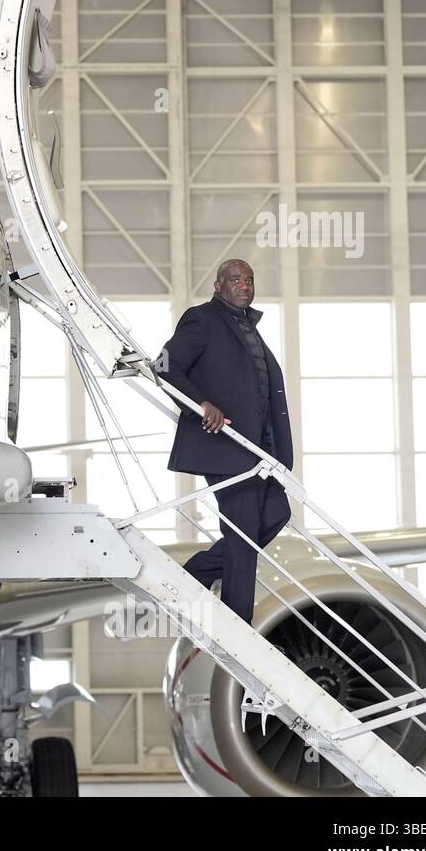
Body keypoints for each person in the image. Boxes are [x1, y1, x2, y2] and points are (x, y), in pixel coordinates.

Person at [154, 259, 293, 624]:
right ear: (218, 286)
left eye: (249, 279)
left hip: (260, 454)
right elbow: (165, 365)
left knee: (278, 514)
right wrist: (201, 403)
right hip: (226, 449)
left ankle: (192, 575)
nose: (244, 285)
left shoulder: (248, 328)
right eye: (235, 279)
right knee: (243, 537)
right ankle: (237, 627)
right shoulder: (203, 319)